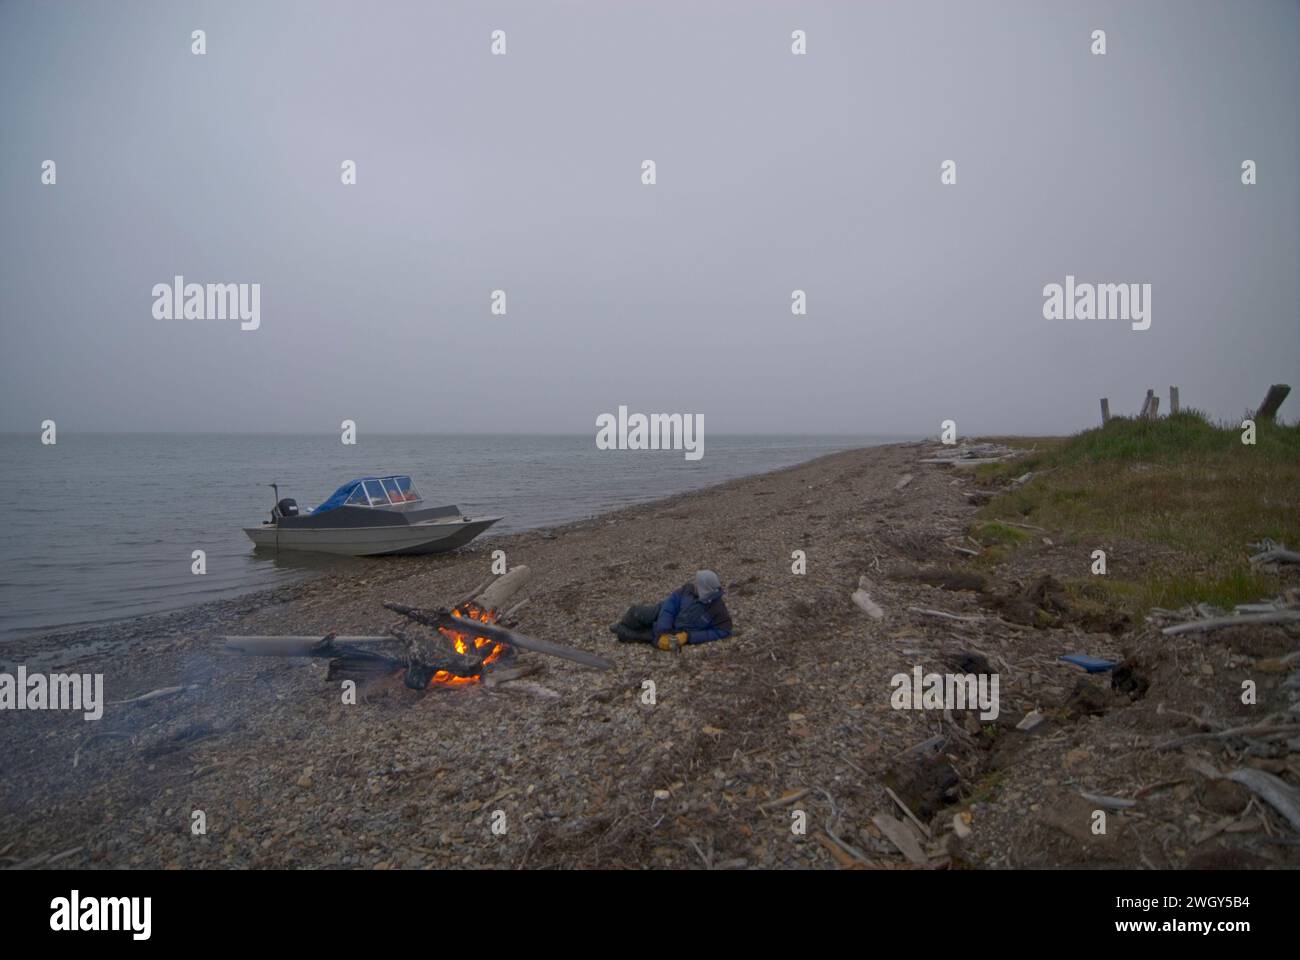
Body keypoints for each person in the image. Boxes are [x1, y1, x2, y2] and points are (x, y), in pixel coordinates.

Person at [610, 570, 733, 651]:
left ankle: (620, 629)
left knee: (629, 635)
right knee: (635, 612)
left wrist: (688, 636)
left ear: (705, 589)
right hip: (662, 613)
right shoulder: (688, 589)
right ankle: (621, 625)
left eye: (698, 583)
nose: (695, 584)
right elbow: (671, 604)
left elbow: (722, 631)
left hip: (677, 632)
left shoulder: (718, 611)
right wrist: (664, 628)